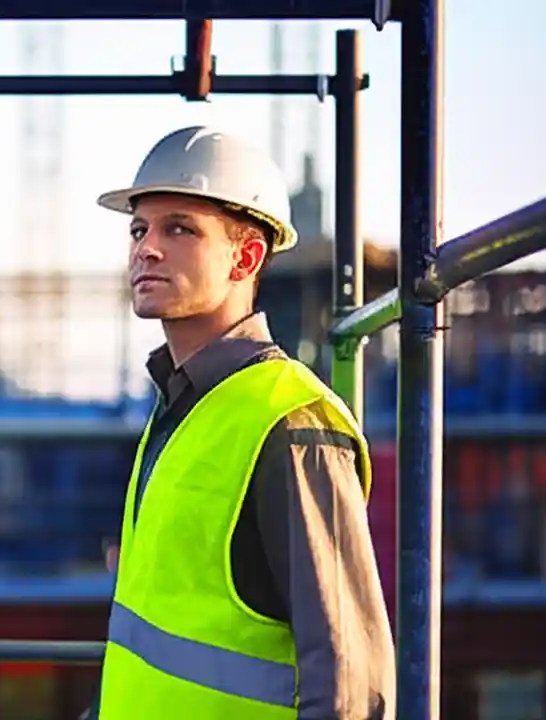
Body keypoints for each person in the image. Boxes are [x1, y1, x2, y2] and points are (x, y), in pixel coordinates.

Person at [82, 126, 395, 719]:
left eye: (180, 229)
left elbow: (353, 686)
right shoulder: (179, 407)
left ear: (246, 256)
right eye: (139, 229)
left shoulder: (292, 422)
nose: (146, 249)